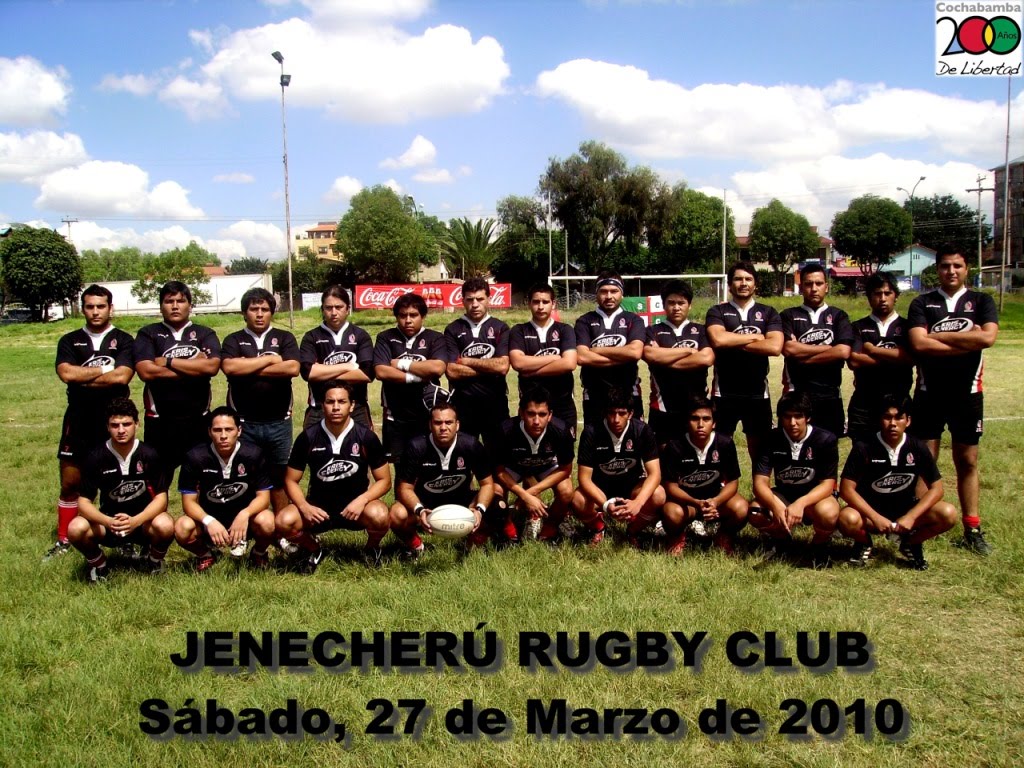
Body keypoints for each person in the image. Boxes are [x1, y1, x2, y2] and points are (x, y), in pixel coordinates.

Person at [907, 245, 999, 555]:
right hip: (929, 395)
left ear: (966, 268)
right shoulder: (923, 302)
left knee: (967, 461)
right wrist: (964, 342)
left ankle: (972, 527)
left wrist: (937, 338)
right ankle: (919, 526)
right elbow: (918, 342)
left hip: (968, 395)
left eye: (957, 265)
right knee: (925, 462)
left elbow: (987, 338)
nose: (951, 271)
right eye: (945, 266)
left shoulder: (982, 301)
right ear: (938, 269)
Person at [48, 284, 135, 559]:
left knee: (118, 482)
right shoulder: (69, 340)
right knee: (71, 482)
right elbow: (66, 374)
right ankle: (64, 538)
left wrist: (84, 374)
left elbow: (122, 377)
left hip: (113, 420)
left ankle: (124, 536)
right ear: (82, 308)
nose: (95, 311)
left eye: (101, 306)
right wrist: (105, 369)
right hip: (78, 419)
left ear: (111, 308)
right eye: (90, 306)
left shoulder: (123, 340)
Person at [275, 382, 391, 571]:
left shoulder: (366, 437)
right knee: (283, 521)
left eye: (341, 401)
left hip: (355, 510)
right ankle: (314, 548)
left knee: (380, 515)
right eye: (330, 402)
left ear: (351, 405)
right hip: (319, 510)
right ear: (322, 404)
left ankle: (371, 549)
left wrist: (362, 500)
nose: (336, 407)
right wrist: (304, 507)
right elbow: (290, 480)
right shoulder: (308, 437)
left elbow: (385, 480)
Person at [838, 396, 957, 570]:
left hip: (905, 514)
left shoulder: (917, 447)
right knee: (847, 518)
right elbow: (846, 490)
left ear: (908, 421)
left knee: (948, 513)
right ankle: (864, 543)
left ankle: (910, 543)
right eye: (887, 417)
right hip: (872, 516)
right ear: (880, 419)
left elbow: (937, 489)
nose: (893, 423)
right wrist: (875, 517)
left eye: (899, 418)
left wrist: (911, 516)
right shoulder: (864, 447)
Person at [66, 398, 174, 583]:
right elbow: (83, 503)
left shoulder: (149, 454)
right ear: (107, 427)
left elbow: (161, 498)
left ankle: (154, 560)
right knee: (76, 528)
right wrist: (108, 522)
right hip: (110, 523)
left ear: (136, 424)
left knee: (165, 525)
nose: (121, 430)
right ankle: (99, 564)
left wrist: (136, 521)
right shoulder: (95, 457)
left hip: (143, 522)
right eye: (115, 425)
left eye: (126, 424)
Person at [220, 287, 300, 513]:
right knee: (244, 476)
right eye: (253, 309)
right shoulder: (233, 339)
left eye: (264, 309)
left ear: (271, 312)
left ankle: (283, 530)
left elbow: (292, 368)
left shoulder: (285, 337)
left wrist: (249, 366)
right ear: (244, 313)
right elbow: (229, 367)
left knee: (279, 477)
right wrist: (271, 360)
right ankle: (247, 526)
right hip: (244, 423)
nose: (259, 313)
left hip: (279, 422)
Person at [133, 281, 221, 471]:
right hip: (160, 422)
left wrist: (168, 362)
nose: (174, 306)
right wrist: (194, 365)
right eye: (168, 301)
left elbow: (212, 367)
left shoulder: (205, 333)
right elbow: (146, 371)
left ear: (190, 305)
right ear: (160, 305)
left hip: (198, 420)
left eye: (180, 301)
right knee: (158, 484)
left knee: (202, 483)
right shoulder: (148, 334)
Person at [175, 406, 275, 571]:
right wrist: (209, 521)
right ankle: (206, 554)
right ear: (209, 432)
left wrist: (245, 514)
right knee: (182, 527)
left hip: (245, 521)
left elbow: (264, 498)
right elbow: (188, 503)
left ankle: (258, 552)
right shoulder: (195, 457)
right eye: (217, 430)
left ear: (239, 430)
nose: (223, 436)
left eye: (229, 429)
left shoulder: (254, 454)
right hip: (211, 520)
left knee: (268, 521)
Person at [389, 402, 495, 558]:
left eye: (448, 422)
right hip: (426, 504)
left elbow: (487, 484)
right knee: (396, 514)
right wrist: (420, 509)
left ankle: (472, 545)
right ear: (430, 425)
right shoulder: (416, 446)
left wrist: (478, 510)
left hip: (461, 501)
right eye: (438, 422)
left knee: (497, 503)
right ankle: (417, 547)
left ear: (457, 425)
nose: (443, 427)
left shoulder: (471, 445)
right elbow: (404, 488)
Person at [704, 261, 783, 466]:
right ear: (729, 285)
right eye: (738, 279)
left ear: (755, 284)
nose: (743, 283)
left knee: (759, 449)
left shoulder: (768, 312)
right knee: (719, 447)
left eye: (748, 279)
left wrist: (734, 341)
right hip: (724, 393)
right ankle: (723, 492)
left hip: (757, 393)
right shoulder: (717, 311)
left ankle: (760, 494)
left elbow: (774, 347)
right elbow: (718, 340)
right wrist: (757, 337)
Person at [749, 392, 840, 563]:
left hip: (815, 498)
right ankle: (782, 540)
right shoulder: (771, 438)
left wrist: (801, 503)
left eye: (798, 416)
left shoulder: (826, 439)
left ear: (808, 417)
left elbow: (828, 484)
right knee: (756, 511)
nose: (792, 423)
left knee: (829, 513)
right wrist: (775, 506)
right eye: (787, 417)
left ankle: (819, 544)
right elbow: (760, 482)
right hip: (785, 495)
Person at [571, 388, 664, 548]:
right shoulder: (592, 432)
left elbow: (655, 474)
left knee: (658, 494)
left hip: (631, 488)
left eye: (621, 413)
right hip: (600, 489)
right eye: (611, 413)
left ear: (630, 413)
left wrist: (638, 503)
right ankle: (598, 527)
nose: (616, 419)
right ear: (604, 413)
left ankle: (633, 530)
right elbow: (584, 478)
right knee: (577, 499)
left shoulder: (642, 430)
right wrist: (606, 505)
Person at [661, 397, 749, 555]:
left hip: (715, 500)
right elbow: (670, 486)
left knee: (741, 508)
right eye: (695, 419)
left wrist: (716, 501)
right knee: (671, 513)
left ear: (714, 423)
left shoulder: (725, 443)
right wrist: (695, 502)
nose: (700, 425)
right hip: (686, 503)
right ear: (687, 421)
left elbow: (733, 482)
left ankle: (723, 536)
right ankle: (677, 537)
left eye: (706, 419)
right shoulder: (674, 446)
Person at [493, 387, 576, 546]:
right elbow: (499, 471)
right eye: (531, 414)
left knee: (566, 491)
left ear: (550, 415)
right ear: (521, 413)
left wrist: (531, 492)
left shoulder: (561, 430)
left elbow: (566, 469)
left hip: (546, 466)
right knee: (496, 491)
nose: (536, 421)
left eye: (542, 414)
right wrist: (523, 496)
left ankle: (551, 524)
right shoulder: (505, 430)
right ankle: (508, 529)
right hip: (515, 467)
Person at [373, 292, 450, 463]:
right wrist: (416, 377)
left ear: (423, 316)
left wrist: (400, 364)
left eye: (413, 315)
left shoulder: (435, 338)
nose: (408, 320)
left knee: (428, 466)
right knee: (401, 470)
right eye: (402, 315)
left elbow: (437, 368)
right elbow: (381, 371)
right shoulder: (385, 337)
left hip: (427, 415)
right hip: (395, 416)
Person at [779, 263, 854, 438]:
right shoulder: (788, 315)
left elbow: (843, 352)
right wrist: (829, 347)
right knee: (795, 449)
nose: (814, 288)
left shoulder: (839, 316)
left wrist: (803, 357)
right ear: (801, 287)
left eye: (819, 283)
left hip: (830, 396)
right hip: (796, 395)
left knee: (828, 449)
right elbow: (789, 348)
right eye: (808, 284)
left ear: (826, 287)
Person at [643, 279, 714, 448]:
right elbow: (650, 355)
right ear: (663, 305)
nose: (676, 307)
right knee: (663, 458)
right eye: (671, 303)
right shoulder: (652, 331)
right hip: (662, 408)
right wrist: (689, 351)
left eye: (681, 303)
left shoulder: (702, 330)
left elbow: (706, 358)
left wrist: (664, 358)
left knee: (692, 456)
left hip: (696, 408)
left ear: (689, 305)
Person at [847, 272, 915, 443]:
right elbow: (854, 360)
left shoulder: (908, 326)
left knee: (896, 458)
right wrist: (894, 357)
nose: (882, 298)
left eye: (887, 293)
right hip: (864, 403)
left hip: (899, 402)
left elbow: (909, 359)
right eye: (877, 293)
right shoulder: (858, 327)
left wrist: (872, 350)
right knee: (863, 456)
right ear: (869, 297)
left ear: (896, 296)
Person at [444, 277, 510, 449]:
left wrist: (467, 361)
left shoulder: (500, 327)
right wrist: (489, 367)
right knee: (463, 460)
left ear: (489, 299)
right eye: (470, 299)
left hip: (495, 404)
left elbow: (503, 366)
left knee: (498, 459)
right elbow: (451, 371)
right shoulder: (453, 329)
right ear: (462, 300)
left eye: (480, 299)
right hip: (463, 405)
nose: (475, 304)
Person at [574, 270, 646, 429]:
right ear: (596, 293)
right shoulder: (584, 321)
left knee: (634, 443)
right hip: (594, 394)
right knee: (596, 446)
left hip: (628, 393)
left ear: (622, 293)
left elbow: (634, 352)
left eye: (614, 291)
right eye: (603, 291)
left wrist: (596, 350)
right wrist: (621, 355)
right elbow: (582, 357)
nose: (609, 296)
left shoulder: (634, 320)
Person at [299, 285, 374, 430]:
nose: (334, 312)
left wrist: (323, 371)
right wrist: (348, 366)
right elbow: (308, 372)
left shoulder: (361, 336)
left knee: (362, 451)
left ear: (348, 309)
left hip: (356, 407)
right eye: (329, 307)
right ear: (322, 309)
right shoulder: (312, 337)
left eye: (339, 307)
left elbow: (367, 373)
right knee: (313, 451)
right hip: (319, 407)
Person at [508, 284, 578, 437]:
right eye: (536, 302)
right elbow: (518, 363)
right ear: (529, 303)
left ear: (553, 304)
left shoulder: (565, 329)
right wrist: (554, 358)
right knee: (532, 453)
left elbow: (569, 363)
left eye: (545, 302)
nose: (540, 306)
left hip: (562, 404)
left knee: (565, 454)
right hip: (532, 406)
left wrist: (530, 370)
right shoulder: (518, 330)